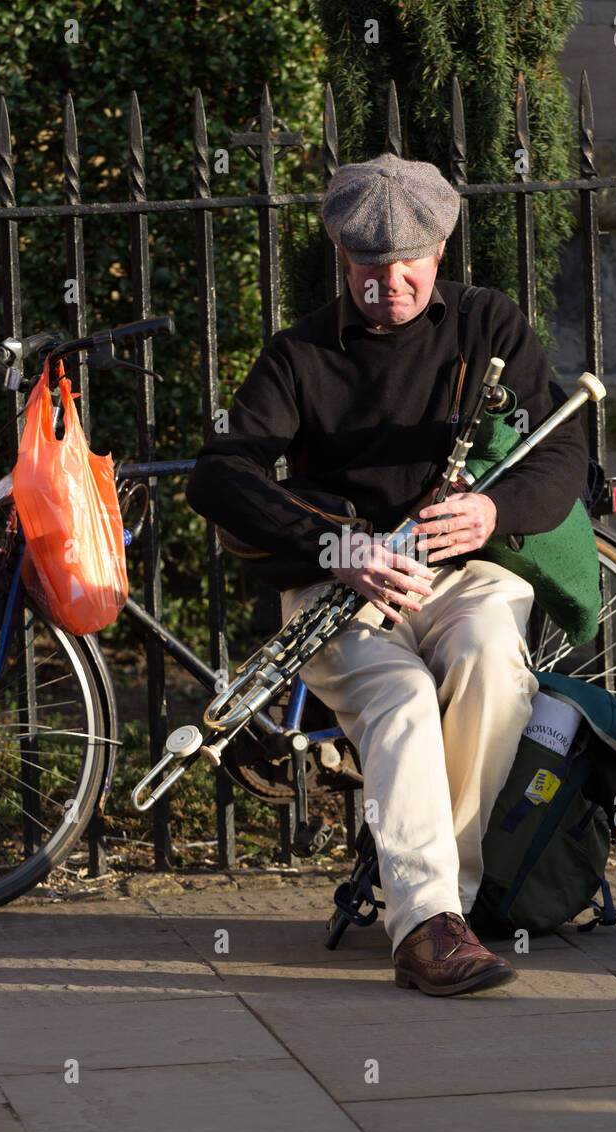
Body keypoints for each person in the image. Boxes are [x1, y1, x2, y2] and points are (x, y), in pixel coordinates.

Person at [187, 153, 588, 996]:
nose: (390, 282)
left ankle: (447, 906)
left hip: (462, 572)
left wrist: (493, 513)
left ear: (440, 252)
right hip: (341, 589)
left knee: (490, 662)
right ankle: (428, 925)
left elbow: (561, 452)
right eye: (370, 266)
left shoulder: (488, 324)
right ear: (344, 258)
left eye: (408, 263)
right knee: (401, 697)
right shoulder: (298, 355)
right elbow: (220, 473)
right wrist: (334, 546)